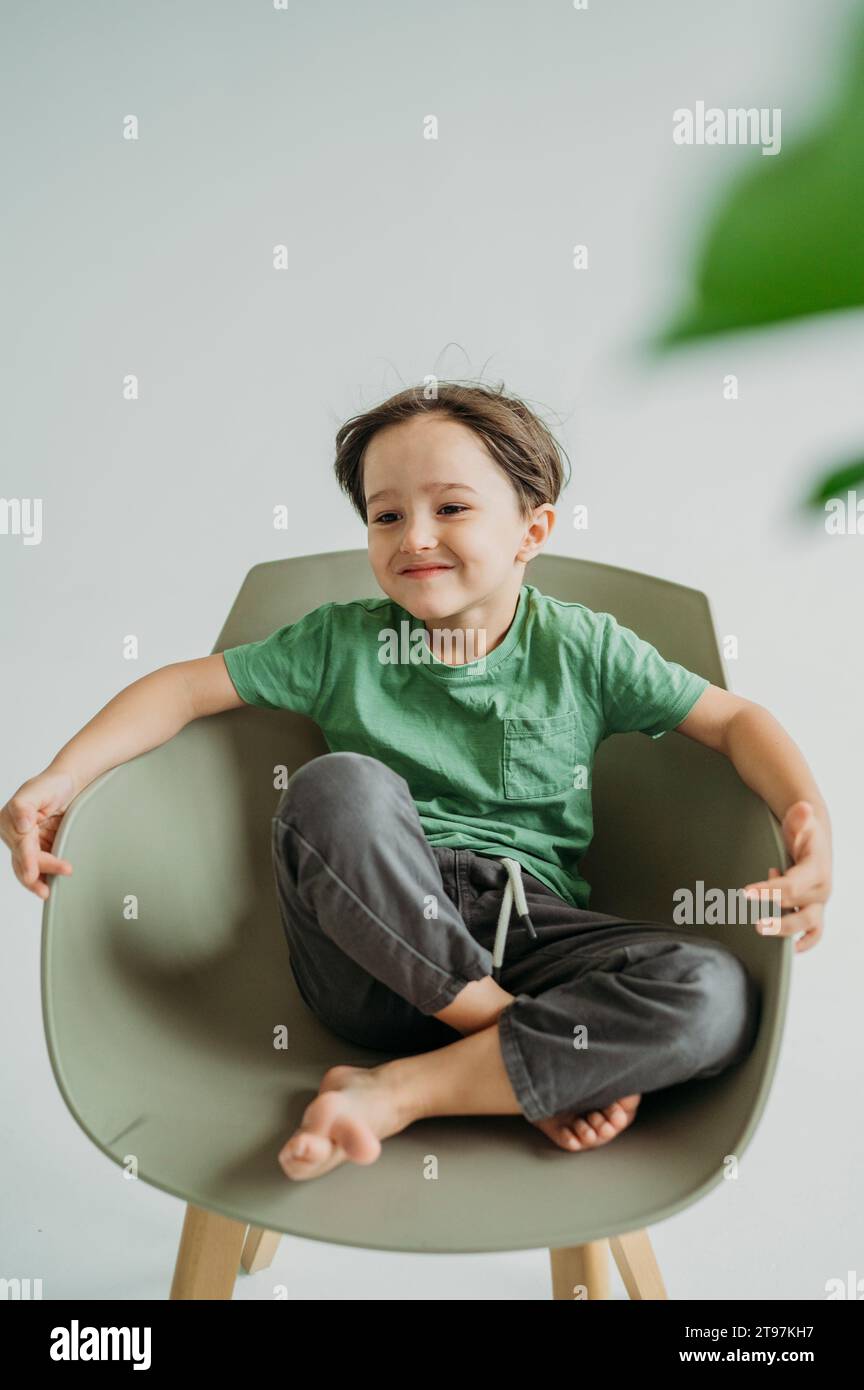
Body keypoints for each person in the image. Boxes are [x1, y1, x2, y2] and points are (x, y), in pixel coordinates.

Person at [1, 381, 833, 1185]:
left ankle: (403, 1092)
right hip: (368, 954)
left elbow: (733, 721)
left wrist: (811, 823)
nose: (414, 537)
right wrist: (60, 776)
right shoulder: (339, 644)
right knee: (339, 786)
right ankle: (511, 1044)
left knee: (713, 995)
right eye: (386, 515)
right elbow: (182, 689)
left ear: (530, 530)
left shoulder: (584, 648)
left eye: (453, 507)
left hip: (530, 934)